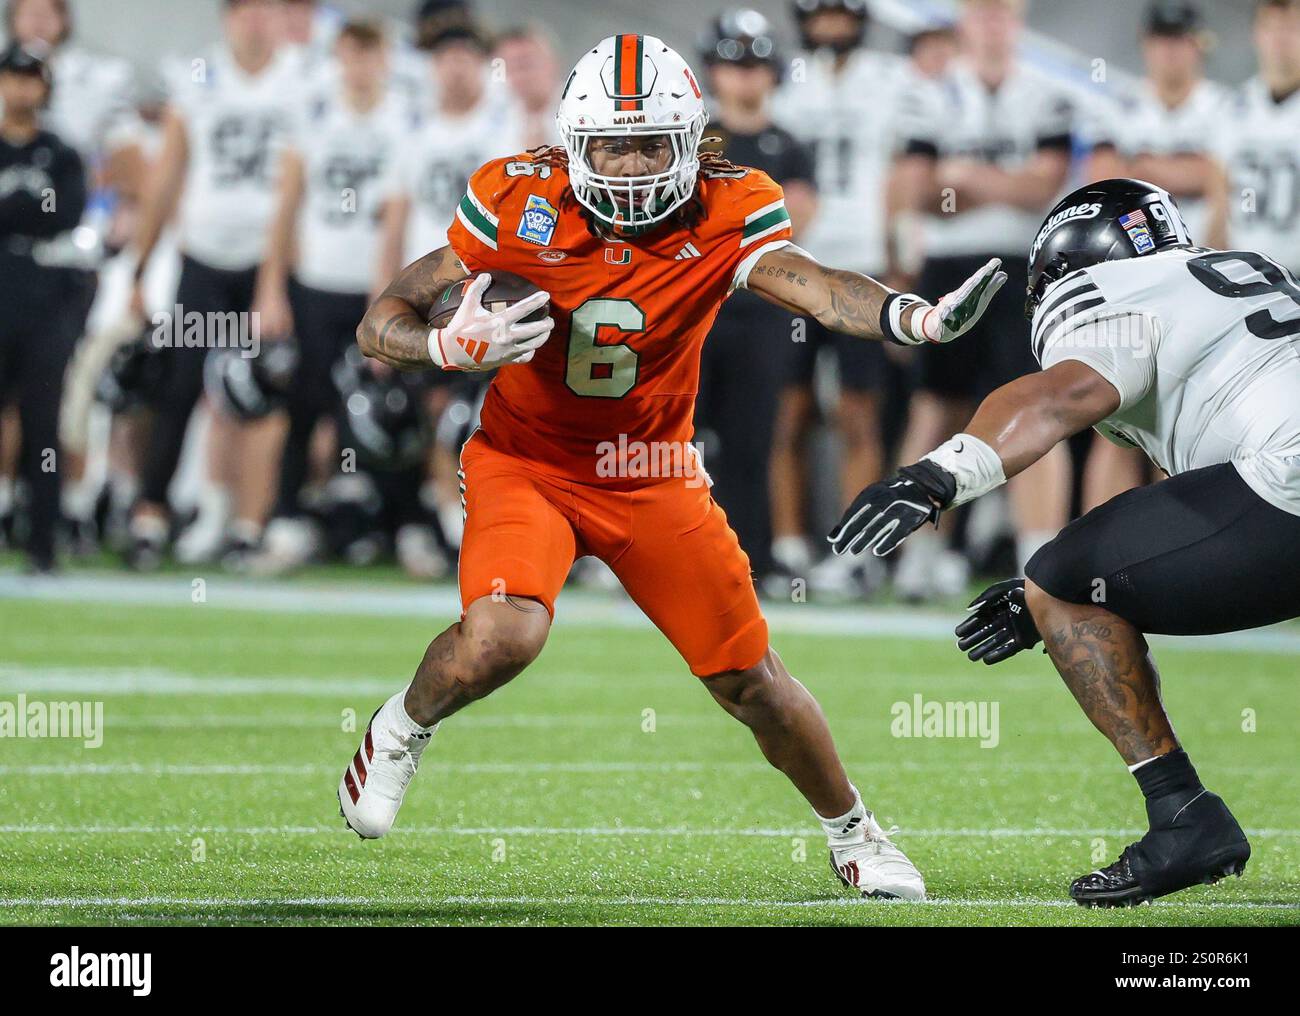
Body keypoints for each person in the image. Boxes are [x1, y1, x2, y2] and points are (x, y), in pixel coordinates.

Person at [341, 34, 1008, 901]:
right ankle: (399, 728)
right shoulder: (518, 197)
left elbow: (812, 282)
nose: (625, 164)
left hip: (654, 471)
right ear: (573, 143)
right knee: (503, 638)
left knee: (752, 682)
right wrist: (444, 344)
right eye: (609, 143)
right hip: (527, 462)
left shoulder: (730, 207)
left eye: (648, 141)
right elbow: (379, 318)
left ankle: (855, 833)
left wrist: (911, 319)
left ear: (693, 139)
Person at [827, 177, 1300, 906]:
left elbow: (1061, 396)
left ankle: (1183, 815)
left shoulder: (1115, 287)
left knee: (1059, 577)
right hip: (1275, 478)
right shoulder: (1234, 275)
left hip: (1288, 478)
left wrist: (938, 475)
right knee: (1069, 580)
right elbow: (1191, 501)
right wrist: (1089, 583)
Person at [891, 0, 1073, 600]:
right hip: (948, 265)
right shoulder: (930, 92)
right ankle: (915, 550)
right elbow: (916, 191)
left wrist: (967, 178)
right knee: (935, 407)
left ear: (1018, 17)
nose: (992, 21)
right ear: (965, 19)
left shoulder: (1045, 93)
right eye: (982, 10)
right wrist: (1001, 185)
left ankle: (1036, 557)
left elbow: (1044, 186)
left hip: (1026, 267)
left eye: (1002, 10)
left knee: (1038, 407)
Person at [126, 0, 301, 570]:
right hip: (203, 260)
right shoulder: (198, 77)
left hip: (266, 265)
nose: (255, 21)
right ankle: (150, 513)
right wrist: (139, 265)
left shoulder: (302, 80)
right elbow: (167, 176)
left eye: (264, 10)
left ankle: (247, 524)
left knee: (260, 395)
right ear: (227, 18)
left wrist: (278, 278)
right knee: (176, 387)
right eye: (245, 11)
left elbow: (303, 187)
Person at [251, 19, 411, 573]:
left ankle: (368, 526)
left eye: (370, 55)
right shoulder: (314, 115)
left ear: (384, 59)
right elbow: (286, 205)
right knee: (304, 406)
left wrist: (385, 297)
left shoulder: (401, 119)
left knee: (372, 408)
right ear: (338, 57)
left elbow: (395, 218)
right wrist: (271, 288)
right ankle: (286, 518)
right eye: (351, 54)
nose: (359, 66)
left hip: (368, 289)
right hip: (315, 283)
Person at [768, 0, 913, 596]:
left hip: (862, 265)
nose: (830, 22)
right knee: (788, 412)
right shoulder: (783, 82)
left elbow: (904, 174)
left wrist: (901, 259)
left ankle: (858, 552)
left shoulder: (891, 80)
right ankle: (786, 547)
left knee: (860, 413)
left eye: (839, 11)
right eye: (820, 11)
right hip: (789, 267)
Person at [1080, 0, 1223, 511]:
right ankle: (1094, 551)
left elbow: (1217, 179)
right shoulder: (1116, 105)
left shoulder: (1223, 108)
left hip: (1198, 281)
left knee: (1187, 418)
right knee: (1115, 418)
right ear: (1146, 45)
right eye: (1162, 40)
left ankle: (1176, 551)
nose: (1170, 52)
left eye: (1180, 40)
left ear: (1198, 46)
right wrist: (1187, 169)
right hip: (1129, 284)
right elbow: (1100, 183)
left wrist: (1142, 167)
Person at [694, 8, 817, 582]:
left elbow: (794, 227)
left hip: (760, 311)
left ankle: (746, 557)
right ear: (714, 72)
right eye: (731, 63)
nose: (744, 76)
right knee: (675, 441)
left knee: (752, 440)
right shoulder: (694, 142)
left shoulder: (788, 144)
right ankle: (660, 555)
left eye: (754, 64)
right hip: (694, 310)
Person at [0, 42, 86, 573]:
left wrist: (14, 212)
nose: (22, 88)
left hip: (45, 296)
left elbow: (67, 214)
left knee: (41, 420)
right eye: (13, 77)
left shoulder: (61, 152)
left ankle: (43, 544)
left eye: (32, 79)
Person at [1207, 0, 1300, 270]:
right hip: (1246, 280)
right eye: (1271, 28)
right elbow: (1220, 203)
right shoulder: (1232, 109)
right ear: (1257, 34)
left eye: (1291, 27)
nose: (1280, 39)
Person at [494, 24, 561, 150]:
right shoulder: (495, 118)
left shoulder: (580, 107)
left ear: (552, 62)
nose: (521, 76)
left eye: (527, 64)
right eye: (512, 67)